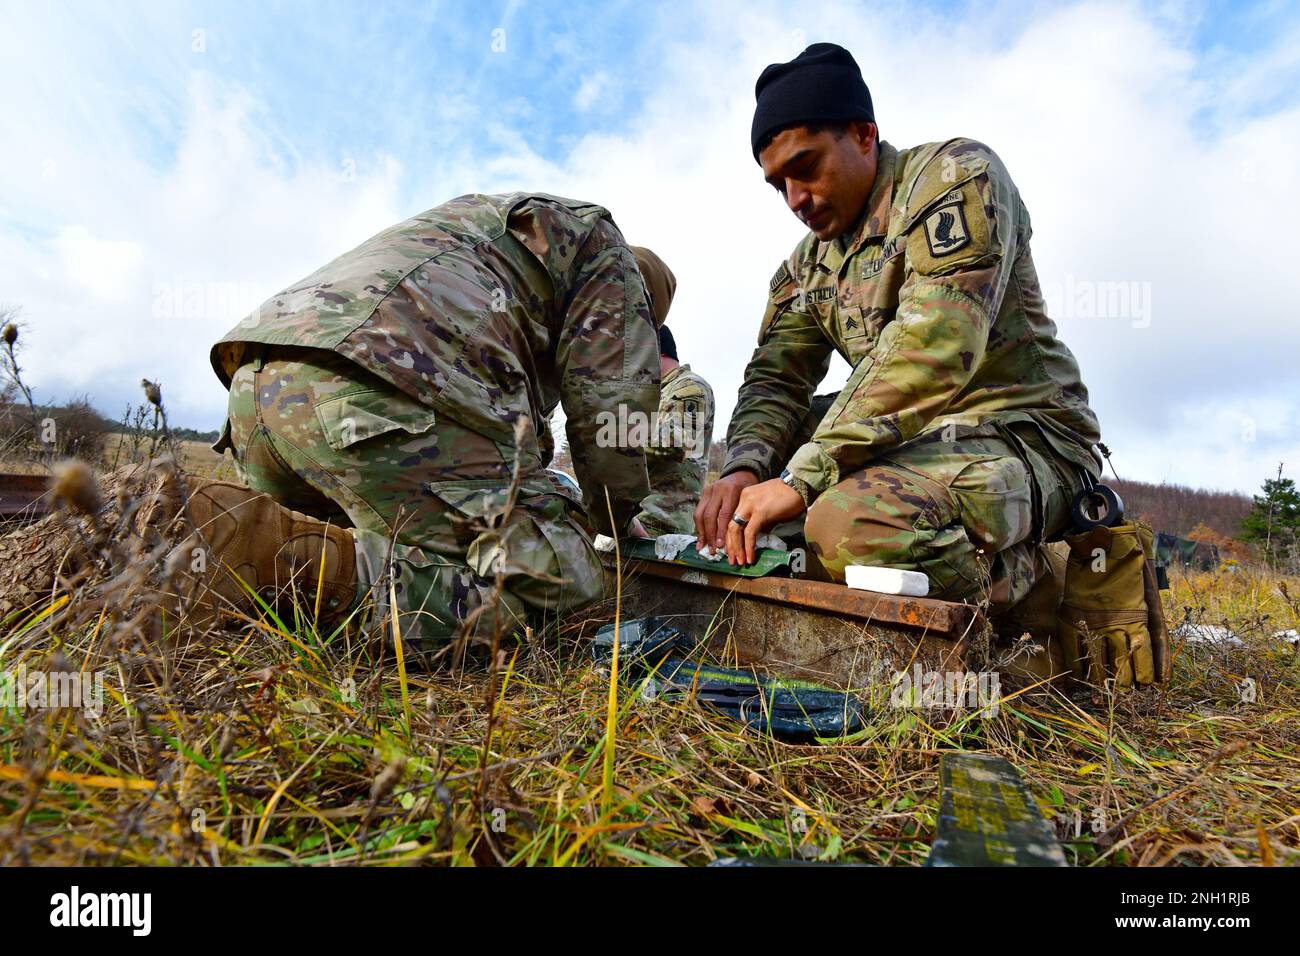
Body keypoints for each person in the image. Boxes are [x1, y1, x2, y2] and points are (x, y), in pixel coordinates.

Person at [695, 43, 1104, 632]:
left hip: (1026, 434)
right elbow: (775, 382)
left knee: (846, 526)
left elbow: (932, 349)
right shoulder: (804, 269)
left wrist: (801, 479)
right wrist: (743, 473)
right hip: (913, 448)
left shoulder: (953, 178)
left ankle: (1048, 592)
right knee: (757, 513)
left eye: (806, 168)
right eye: (777, 184)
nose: (795, 200)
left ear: (864, 134)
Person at [184, 192, 673, 651]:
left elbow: (508, 431)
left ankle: (200, 545)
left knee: (405, 548)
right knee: (556, 585)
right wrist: (617, 519)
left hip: (258, 395)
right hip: (375, 400)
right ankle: (265, 549)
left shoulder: (501, 237)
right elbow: (612, 406)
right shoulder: (607, 255)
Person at [635, 325, 715, 536]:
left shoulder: (689, 388)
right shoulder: (654, 394)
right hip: (640, 517)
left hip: (663, 523)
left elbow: (677, 441)